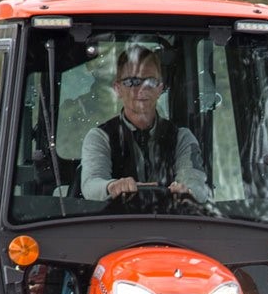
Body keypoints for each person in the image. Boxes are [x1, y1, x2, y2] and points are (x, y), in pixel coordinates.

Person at [76, 46, 210, 205]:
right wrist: (112, 186)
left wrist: (187, 191)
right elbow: (91, 184)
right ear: (117, 89)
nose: (142, 89)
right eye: (132, 82)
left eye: (150, 81)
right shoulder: (100, 137)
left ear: (160, 88)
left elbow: (197, 184)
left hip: (172, 225)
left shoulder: (182, 138)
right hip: (114, 226)